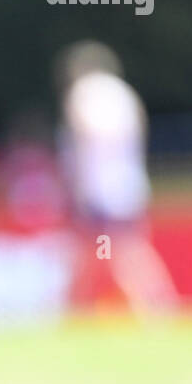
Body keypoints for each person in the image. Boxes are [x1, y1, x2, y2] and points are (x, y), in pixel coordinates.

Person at [55, 42, 178, 318]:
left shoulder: (82, 94)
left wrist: (76, 185)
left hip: (99, 189)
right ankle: (73, 310)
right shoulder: (125, 95)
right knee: (102, 254)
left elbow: (82, 140)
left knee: (120, 255)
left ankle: (157, 308)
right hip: (127, 186)